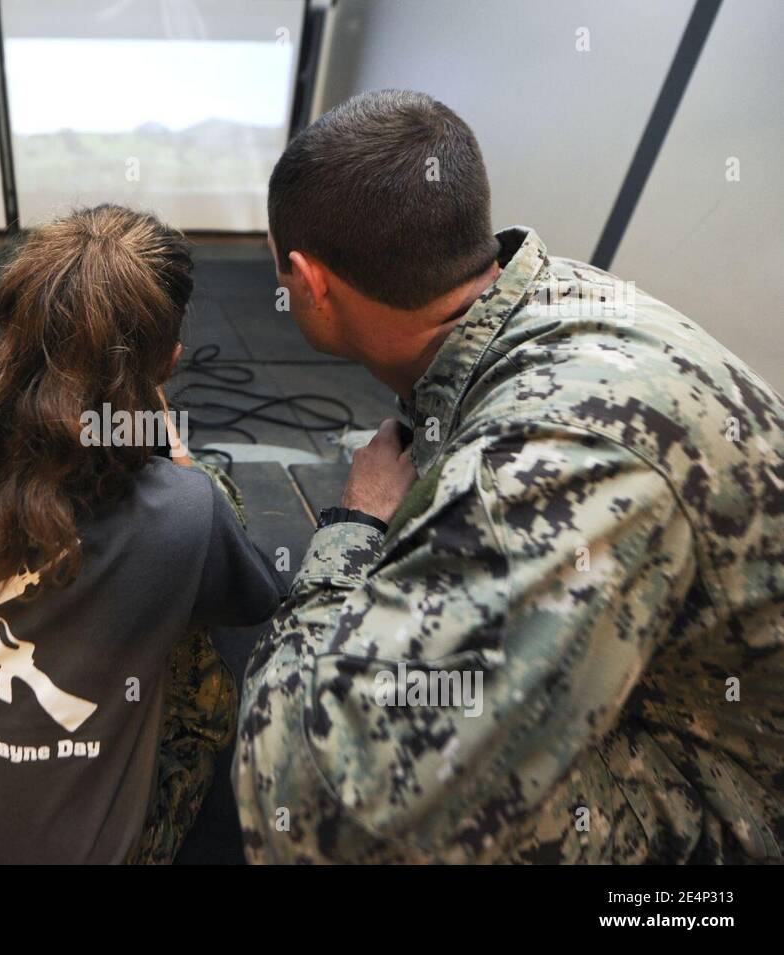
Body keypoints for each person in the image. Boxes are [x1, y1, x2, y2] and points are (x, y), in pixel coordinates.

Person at [233, 89, 784, 863]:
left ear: (309, 280)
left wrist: (352, 537)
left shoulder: (543, 463)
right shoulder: (558, 296)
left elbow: (306, 807)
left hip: (738, 809)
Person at [0, 204, 282, 864]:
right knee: (203, 663)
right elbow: (257, 599)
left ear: (11, 323)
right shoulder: (181, 509)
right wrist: (180, 461)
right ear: (167, 364)